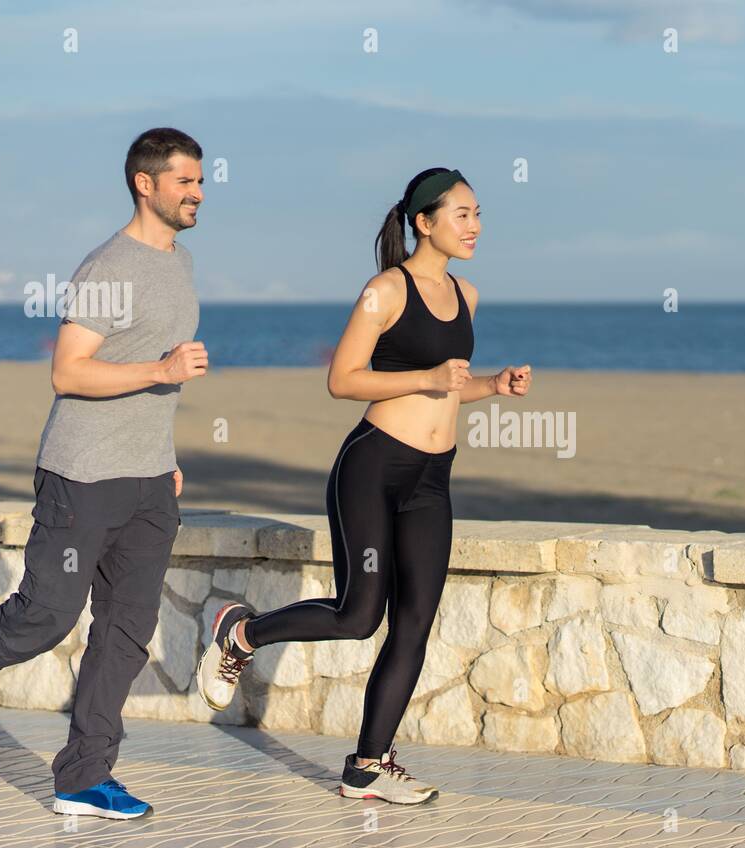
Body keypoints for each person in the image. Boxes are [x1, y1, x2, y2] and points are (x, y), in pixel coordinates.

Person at [198, 167, 531, 804]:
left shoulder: (469, 295)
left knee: (414, 625)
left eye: (478, 213)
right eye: (463, 215)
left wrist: (493, 386)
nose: (476, 226)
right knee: (358, 615)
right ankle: (241, 634)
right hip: (373, 469)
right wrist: (427, 379)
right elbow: (343, 379)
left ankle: (367, 766)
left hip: (433, 478)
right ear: (424, 222)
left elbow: (448, 383)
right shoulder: (385, 290)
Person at [0, 127, 210, 820]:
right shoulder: (109, 267)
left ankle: (82, 776)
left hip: (147, 481)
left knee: (127, 632)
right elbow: (68, 370)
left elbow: (152, 386)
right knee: (47, 615)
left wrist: (165, 459)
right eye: (186, 181)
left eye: (201, 182)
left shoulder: (184, 264)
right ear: (146, 183)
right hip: (82, 474)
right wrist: (163, 370)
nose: (198, 193)